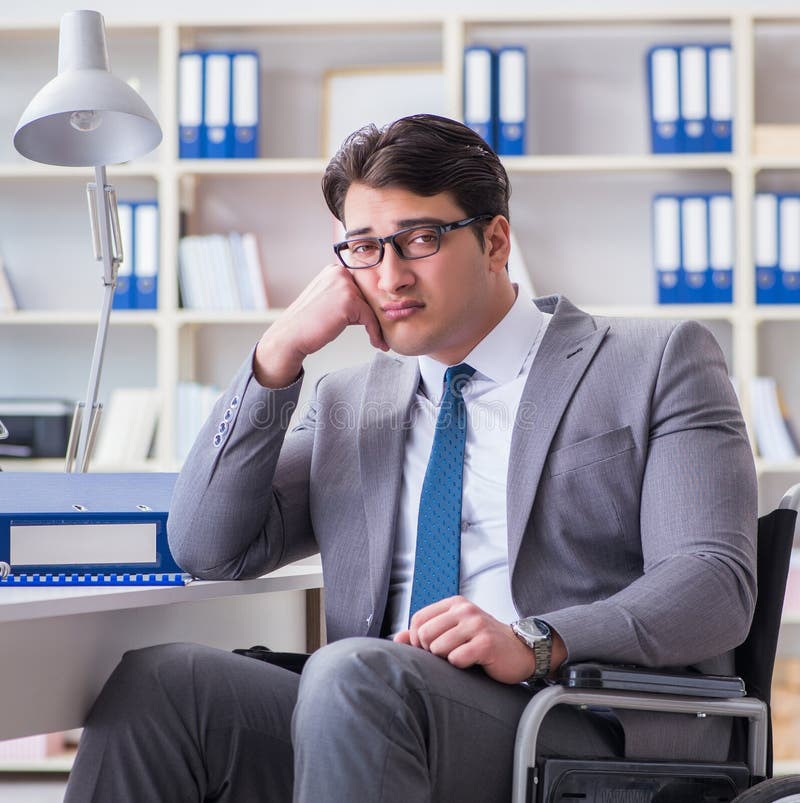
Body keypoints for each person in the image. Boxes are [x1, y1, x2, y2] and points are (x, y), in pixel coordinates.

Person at [64, 114, 757, 802]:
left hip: (573, 718)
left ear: (495, 240)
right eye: (364, 248)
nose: (389, 276)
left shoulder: (653, 362)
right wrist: (276, 357)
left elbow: (712, 581)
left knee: (358, 676)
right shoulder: (350, 402)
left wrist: (538, 640)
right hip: (369, 708)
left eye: (419, 239)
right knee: (158, 686)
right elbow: (207, 546)